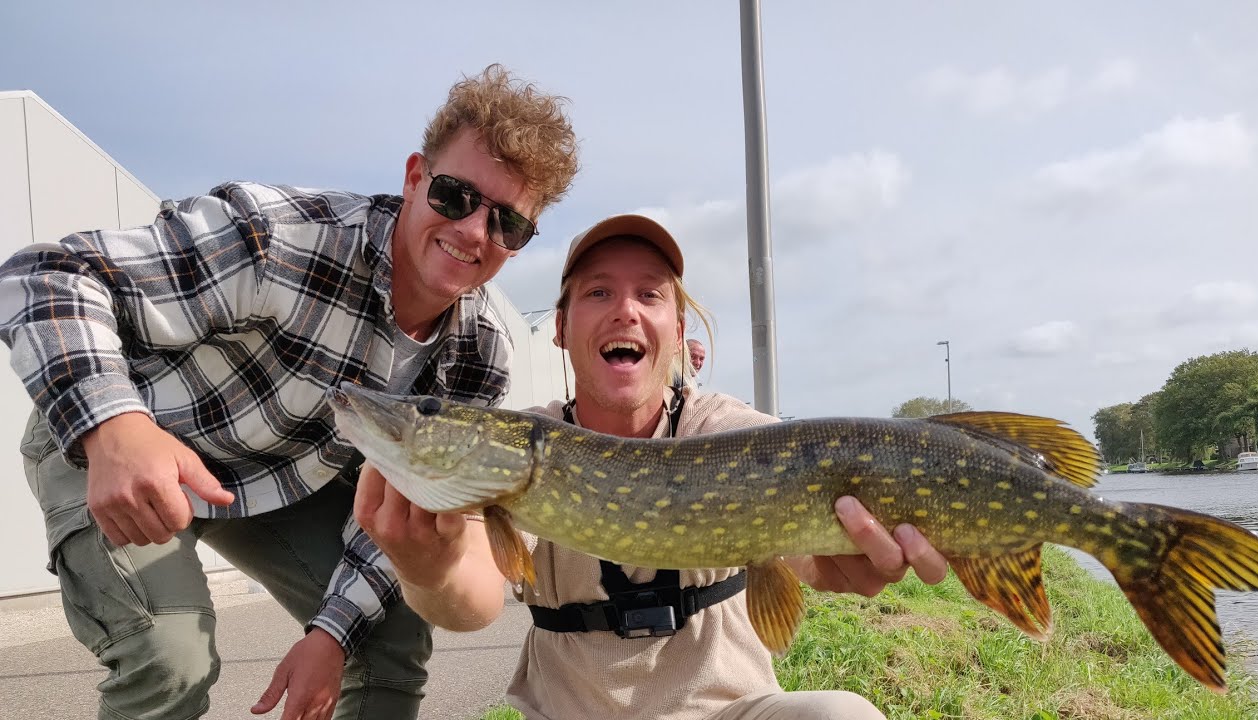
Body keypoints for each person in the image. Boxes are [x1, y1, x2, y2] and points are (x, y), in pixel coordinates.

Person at [0, 64, 578, 720]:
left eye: (508, 223)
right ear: (415, 177)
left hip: (272, 472)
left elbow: (398, 512)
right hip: (118, 432)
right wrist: (112, 427)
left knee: (389, 636)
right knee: (168, 656)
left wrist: (331, 634)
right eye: (454, 195)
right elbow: (48, 275)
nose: (476, 232)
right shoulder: (282, 237)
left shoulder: (477, 356)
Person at [356, 214, 949, 719]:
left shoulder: (728, 434)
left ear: (678, 330)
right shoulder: (531, 446)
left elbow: (809, 553)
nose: (625, 312)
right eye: (597, 293)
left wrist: (831, 557)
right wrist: (426, 566)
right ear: (560, 328)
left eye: (650, 294)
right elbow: (475, 597)